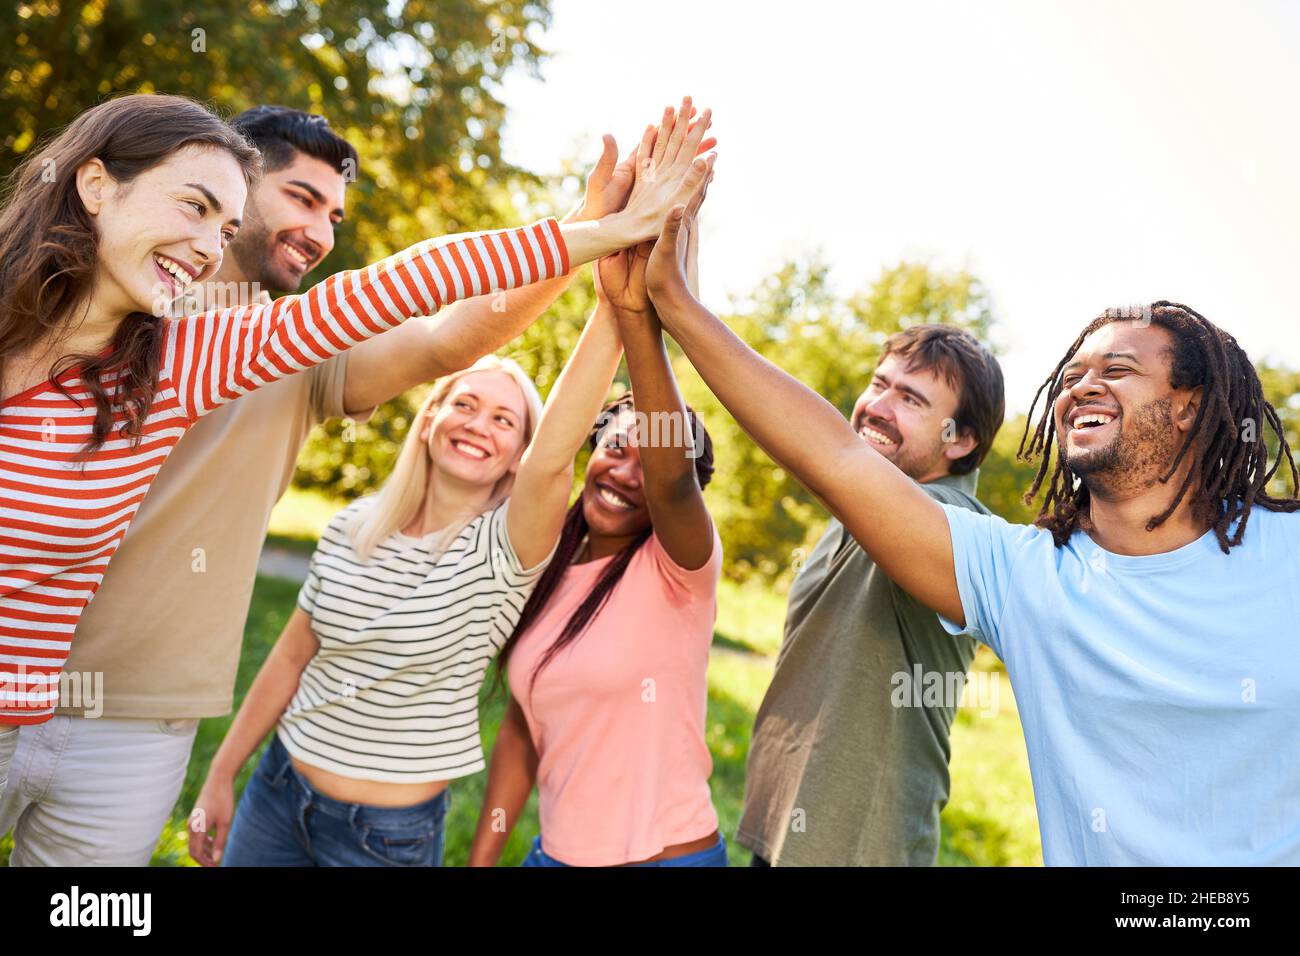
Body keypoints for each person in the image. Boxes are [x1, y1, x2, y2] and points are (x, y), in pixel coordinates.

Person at [0, 101, 681, 866]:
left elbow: (411, 300)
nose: (322, 234)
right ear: (96, 184)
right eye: (299, 198)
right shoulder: (71, 329)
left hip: (134, 721)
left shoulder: (212, 355)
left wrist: (586, 235)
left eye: (218, 226)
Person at [644, 192, 1300, 865]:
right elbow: (834, 457)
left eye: (1118, 370)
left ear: (1190, 407)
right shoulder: (1026, 578)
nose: (1080, 387)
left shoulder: (1288, 554)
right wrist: (676, 306)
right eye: (1072, 374)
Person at [188, 100, 717, 867]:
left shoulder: (505, 553)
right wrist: (222, 771)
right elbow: (290, 658)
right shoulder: (353, 525)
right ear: (429, 419)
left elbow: (552, 449)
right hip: (276, 794)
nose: (479, 423)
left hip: (382, 839)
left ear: (517, 456)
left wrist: (619, 283)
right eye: (464, 403)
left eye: (506, 420)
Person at [468, 166, 724, 868]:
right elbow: (524, 727)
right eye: (617, 448)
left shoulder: (680, 570)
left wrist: (645, 311)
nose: (627, 473)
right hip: (554, 856)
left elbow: (673, 486)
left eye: (653, 462)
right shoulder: (549, 554)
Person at [737, 323, 1005, 867]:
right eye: (879, 383)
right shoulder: (858, 507)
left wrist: (678, 305)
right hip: (791, 832)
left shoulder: (955, 526)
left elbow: (799, 437)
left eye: (910, 399)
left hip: (860, 851)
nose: (878, 407)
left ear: (961, 439)